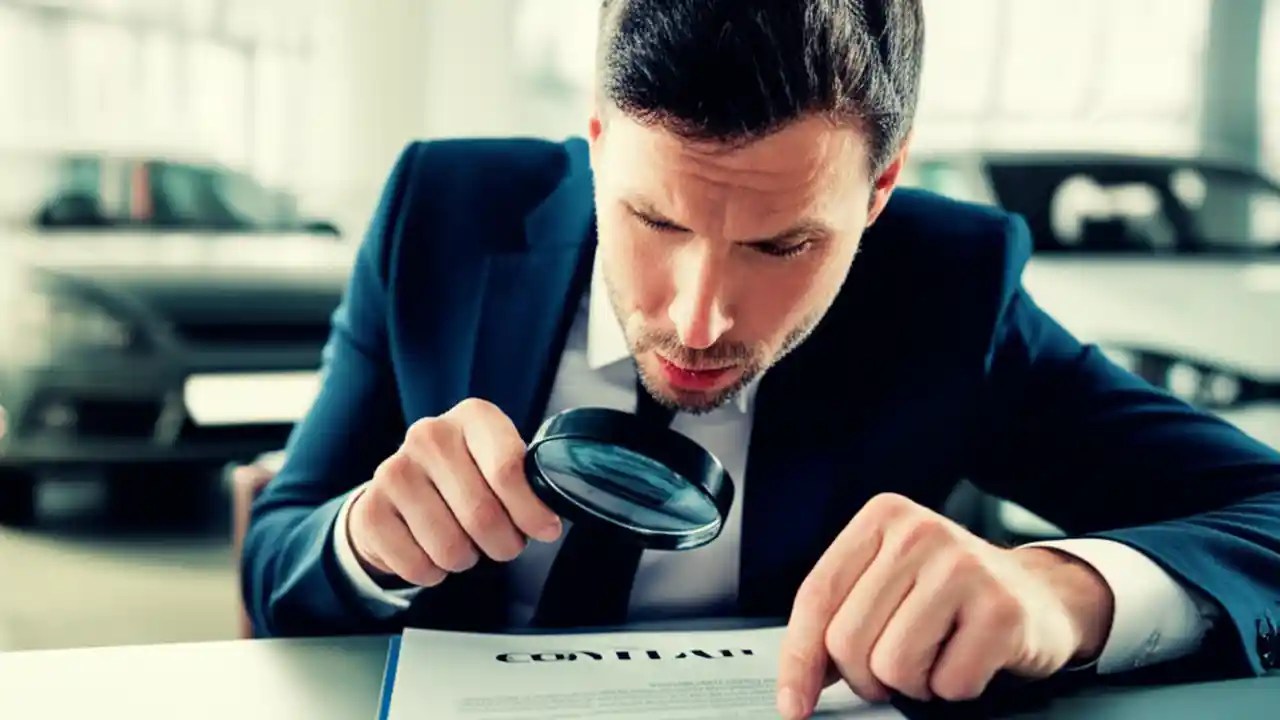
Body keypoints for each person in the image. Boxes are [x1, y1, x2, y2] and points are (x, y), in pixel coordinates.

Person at [242, 1, 1280, 716]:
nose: (698, 322)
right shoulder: (440, 212)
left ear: (876, 192)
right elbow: (277, 553)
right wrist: (365, 542)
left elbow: (1264, 514)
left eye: (782, 245)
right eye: (651, 220)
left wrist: (1065, 593)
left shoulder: (946, 289)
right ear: (597, 140)